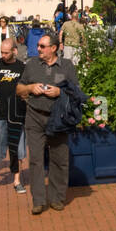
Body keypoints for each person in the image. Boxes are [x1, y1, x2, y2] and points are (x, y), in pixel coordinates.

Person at [16, 34, 80, 214]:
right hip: (35, 117)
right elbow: (18, 88)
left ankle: (57, 198)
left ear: (54, 48)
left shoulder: (66, 66)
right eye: (38, 46)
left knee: (59, 159)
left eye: (42, 46)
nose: (38, 49)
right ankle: (38, 200)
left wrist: (60, 91)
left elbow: (76, 92)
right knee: (35, 160)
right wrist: (29, 88)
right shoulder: (32, 65)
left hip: (58, 119)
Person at [0, 39, 26, 191]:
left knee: (17, 147)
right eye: (1, 52)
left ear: (14, 51)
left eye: (6, 52)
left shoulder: (22, 67)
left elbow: (26, 89)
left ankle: (17, 180)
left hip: (16, 113)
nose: (3, 55)